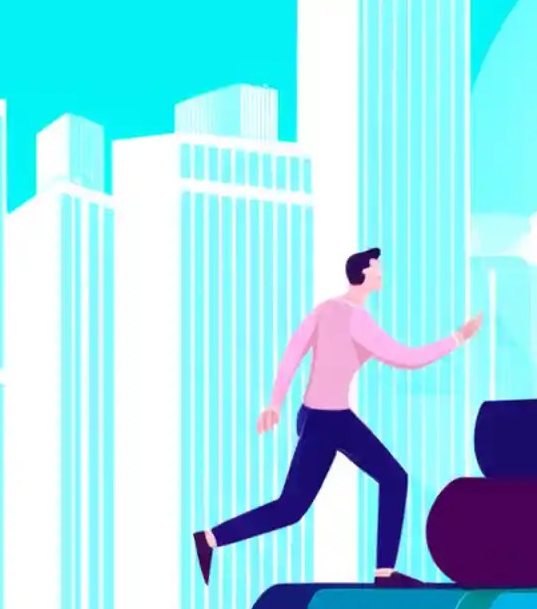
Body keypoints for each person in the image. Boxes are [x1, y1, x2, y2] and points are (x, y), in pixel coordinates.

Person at [191, 247, 482, 587]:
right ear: (362, 274)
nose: (381, 274)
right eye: (377, 269)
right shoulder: (357, 319)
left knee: (294, 506)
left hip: (314, 417)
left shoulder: (325, 309)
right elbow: (407, 357)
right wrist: (458, 337)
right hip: (330, 422)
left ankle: (210, 538)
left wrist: (275, 403)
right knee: (389, 480)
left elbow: (292, 353)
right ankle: (384, 573)